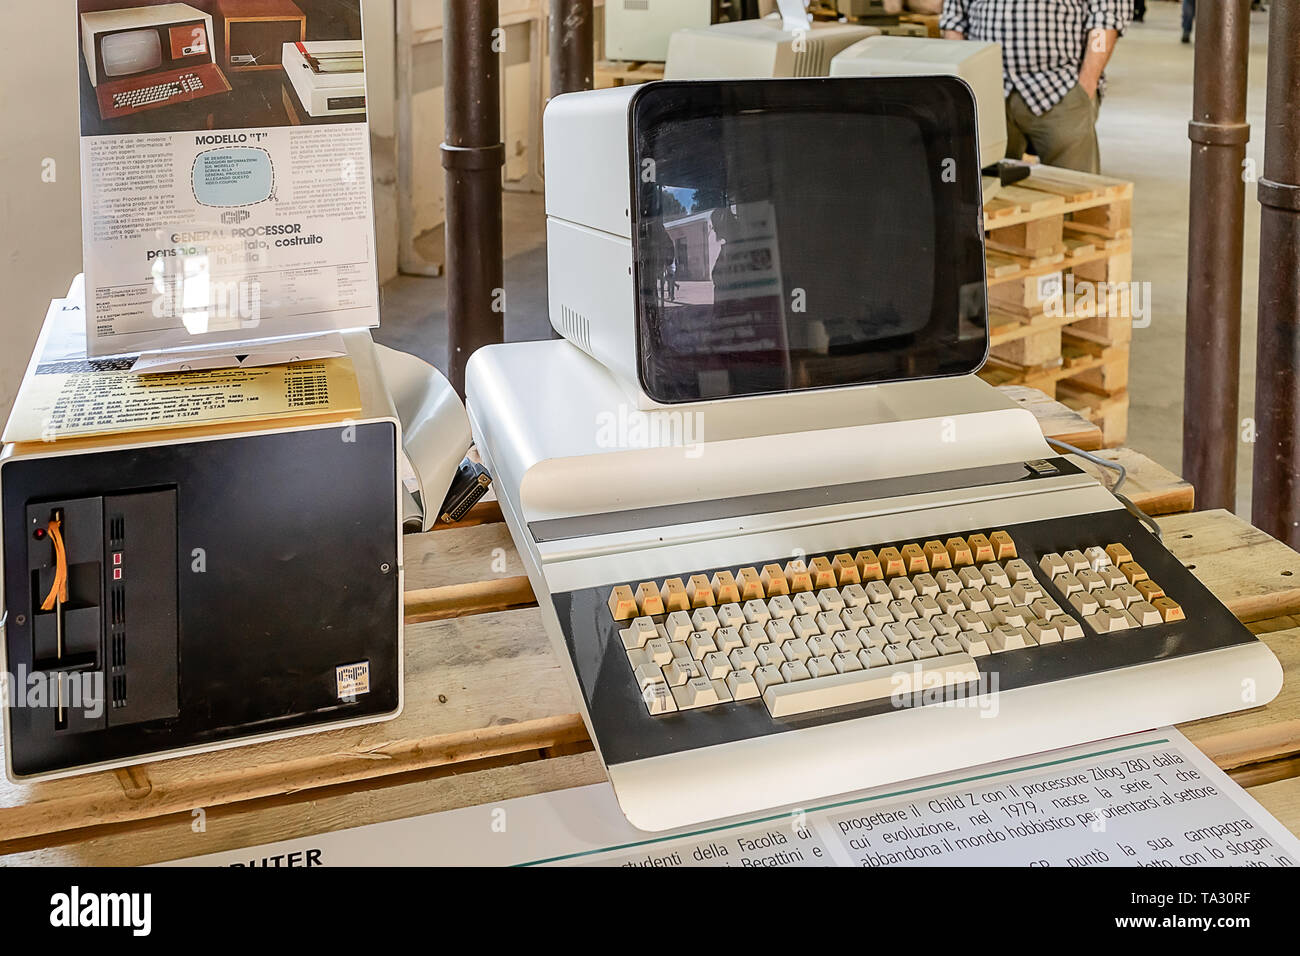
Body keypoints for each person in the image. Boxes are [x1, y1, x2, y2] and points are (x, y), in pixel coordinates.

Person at [940, 0, 1134, 174]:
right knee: (987, 193)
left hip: (1060, 89)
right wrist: (968, 79)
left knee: (1074, 192)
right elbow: (954, 18)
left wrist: (1087, 83)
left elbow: (1106, 17)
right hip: (988, 92)